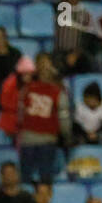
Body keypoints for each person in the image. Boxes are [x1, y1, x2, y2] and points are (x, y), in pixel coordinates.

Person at [16, 53, 69, 186]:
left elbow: (20, 113)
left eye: (47, 64)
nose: (44, 68)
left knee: (39, 178)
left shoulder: (57, 90)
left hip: (44, 139)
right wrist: (67, 134)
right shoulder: (28, 88)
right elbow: (20, 112)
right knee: (34, 178)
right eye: (42, 64)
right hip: (36, 139)